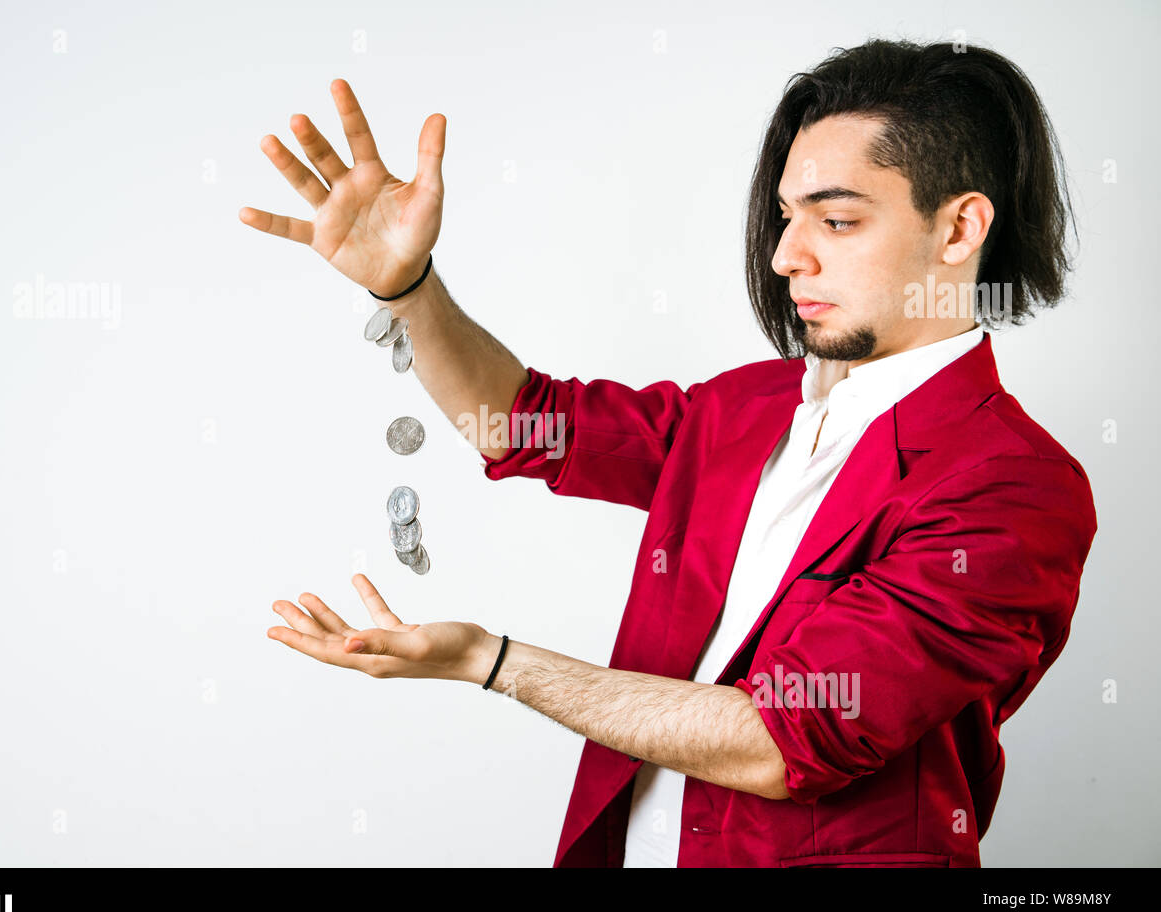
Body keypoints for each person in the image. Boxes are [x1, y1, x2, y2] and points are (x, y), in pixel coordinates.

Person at [241, 38, 1097, 867]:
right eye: (787, 217)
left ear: (959, 231)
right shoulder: (744, 407)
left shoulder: (1016, 487)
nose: (784, 256)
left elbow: (783, 737)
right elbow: (522, 425)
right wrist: (407, 286)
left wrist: (490, 661)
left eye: (836, 219)